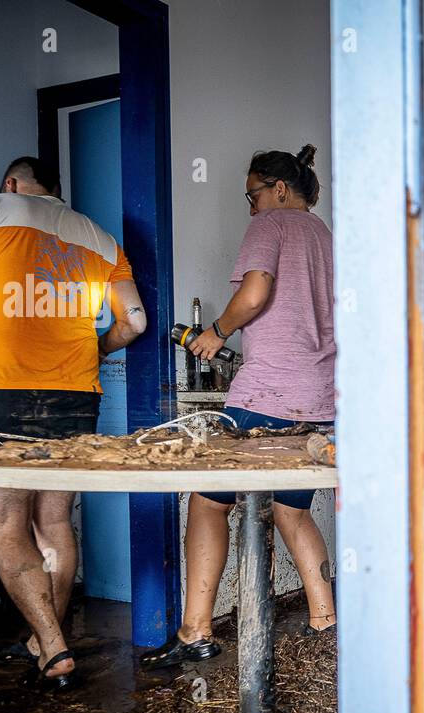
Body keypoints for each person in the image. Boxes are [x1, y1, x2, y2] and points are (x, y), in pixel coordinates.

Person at [141, 146, 336, 668]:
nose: (250, 206)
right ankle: (324, 622)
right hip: (319, 398)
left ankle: (195, 631)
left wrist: (216, 332)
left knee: (209, 502)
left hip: (266, 394)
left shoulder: (270, 224)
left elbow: (255, 294)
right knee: (292, 510)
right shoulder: (326, 237)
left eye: (252, 194)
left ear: (277, 189)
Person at [0, 156, 148, 691]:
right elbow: (135, 321)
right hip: (77, 391)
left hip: (9, 386)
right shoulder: (99, 238)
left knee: (4, 523)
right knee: (54, 520)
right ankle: (43, 636)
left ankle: (52, 644)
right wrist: (91, 350)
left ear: (12, 183)